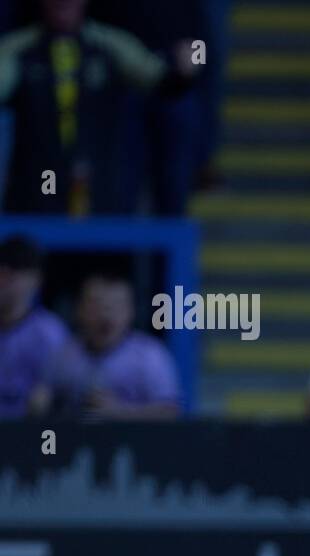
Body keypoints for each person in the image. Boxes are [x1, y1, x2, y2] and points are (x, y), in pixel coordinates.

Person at [0, 0, 200, 215]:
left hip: (97, 176)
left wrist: (183, 72)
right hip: (37, 176)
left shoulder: (110, 44)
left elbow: (157, 80)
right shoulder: (17, 47)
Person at [30, 272, 180, 419]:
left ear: (131, 311)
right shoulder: (64, 354)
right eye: (97, 304)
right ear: (79, 309)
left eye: (116, 306)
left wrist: (120, 412)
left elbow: (169, 412)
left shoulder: (150, 354)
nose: (106, 314)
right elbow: (42, 399)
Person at [0, 235, 71, 418]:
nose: (5, 282)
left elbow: (59, 390)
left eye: (14, 275)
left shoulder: (49, 332)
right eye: (2, 273)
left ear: (36, 279)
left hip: (29, 432)